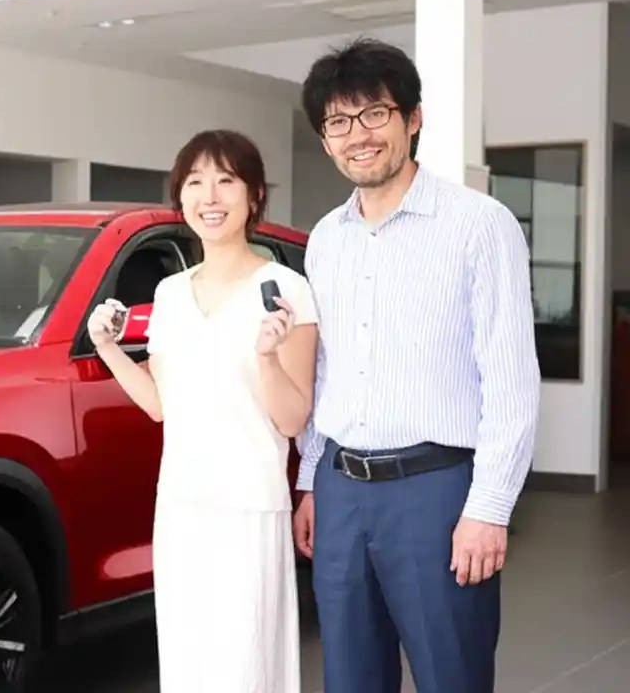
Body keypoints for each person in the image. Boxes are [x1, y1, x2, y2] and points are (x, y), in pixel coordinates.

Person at [292, 38, 541, 693]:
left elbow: (511, 382)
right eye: (339, 123)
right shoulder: (324, 239)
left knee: (450, 677)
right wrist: (312, 480)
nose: (359, 135)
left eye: (375, 113)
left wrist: (488, 508)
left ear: (413, 117)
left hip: (435, 494)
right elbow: (324, 373)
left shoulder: (478, 225)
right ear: (325, 140)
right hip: (342, 490)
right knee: (350, 679)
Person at [87, 129, 319, 692]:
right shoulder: (169, 293)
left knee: (245, 669)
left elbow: (292, 420)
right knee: (189, 666)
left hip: (248, 506)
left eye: (225, 181)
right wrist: (109, 348)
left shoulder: (285, 289)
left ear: (254, 196)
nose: (209, 197)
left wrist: (266, 358)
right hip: (182, 507)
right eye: (195, 183)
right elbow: (160, 405)